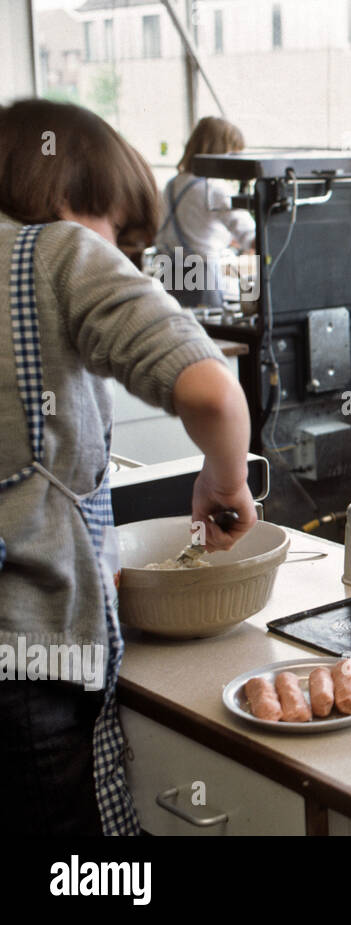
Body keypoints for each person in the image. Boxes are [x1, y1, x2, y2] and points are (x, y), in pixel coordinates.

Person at [0, 99, 257, 834]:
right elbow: (212, 390)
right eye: (116, 228)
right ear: (64, 197)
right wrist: (225, 479)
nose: (121, 252)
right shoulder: (54, 252)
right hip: (26, 660)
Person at [154, 116, 255, 308]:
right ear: (222, 152)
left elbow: (190, 226)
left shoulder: (172, 184)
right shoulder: (214, 188)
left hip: (168, 272)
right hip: (200, 277)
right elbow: (251, 237)